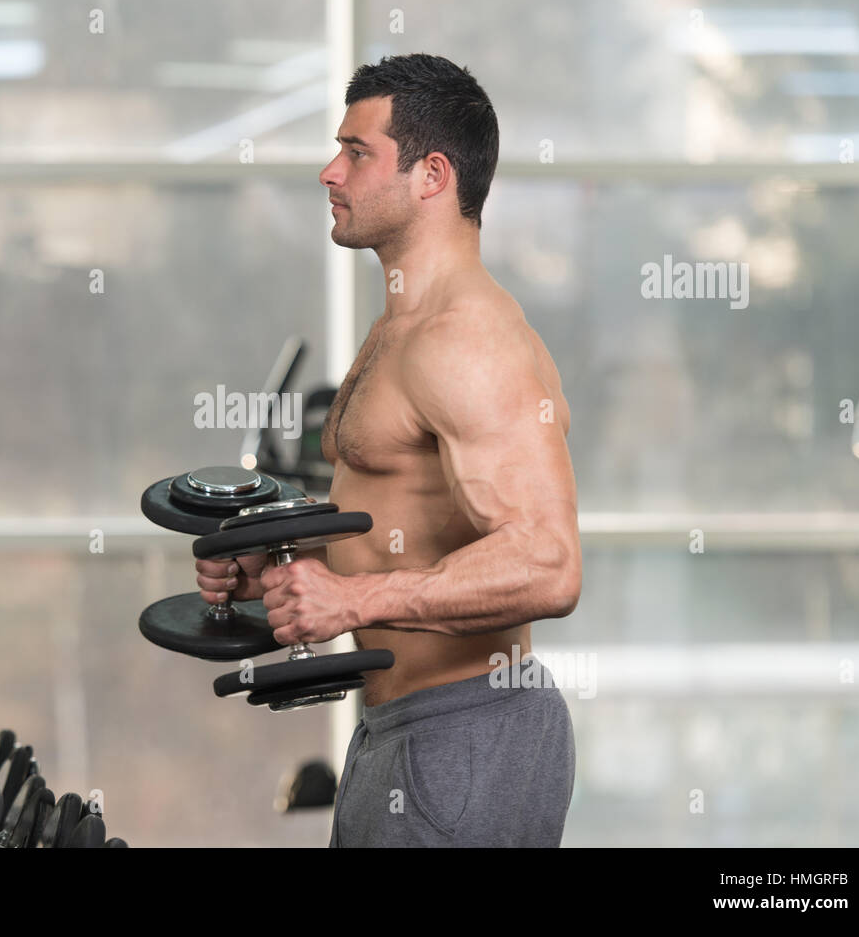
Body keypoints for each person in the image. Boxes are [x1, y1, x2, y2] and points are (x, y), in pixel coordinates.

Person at [195, 54, 580, 847]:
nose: (330, 171)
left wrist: (355, 604)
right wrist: (277, 576)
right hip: (397, 728)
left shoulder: (469, 339)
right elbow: (393, 522)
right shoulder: (398, 325)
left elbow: (549, 561)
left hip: (467, 731)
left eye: (357, 152)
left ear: (431, 175)